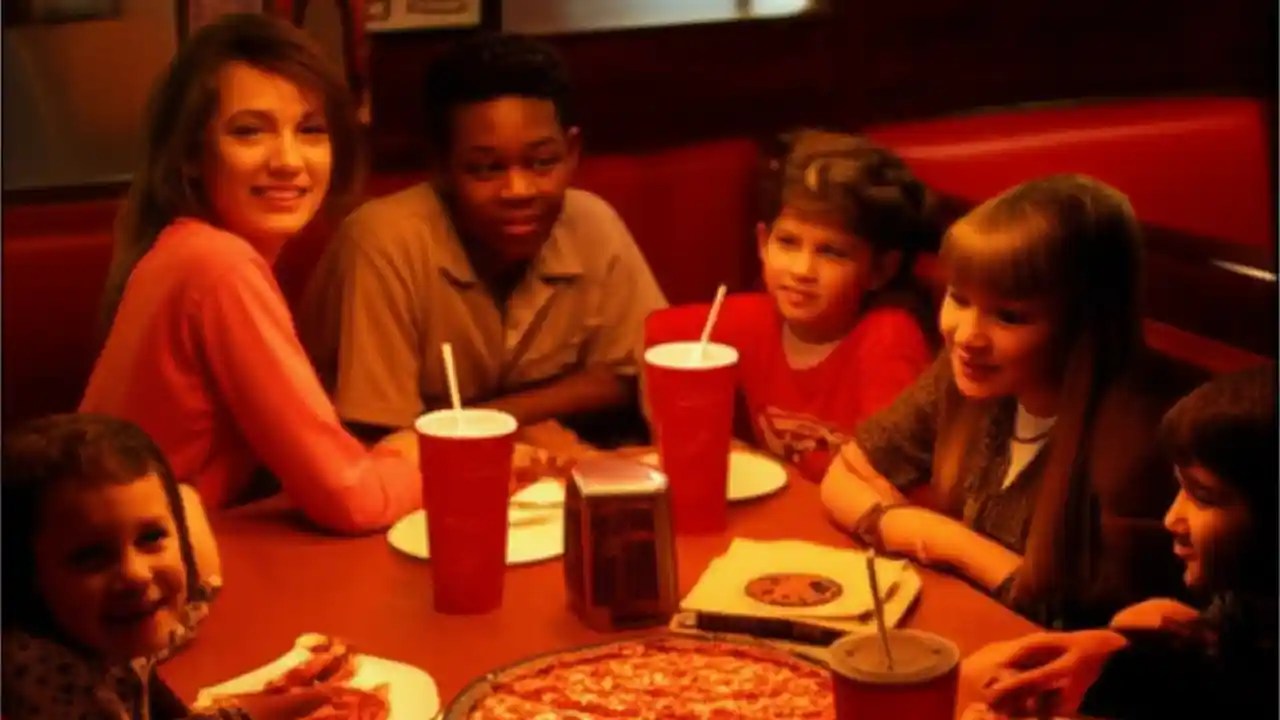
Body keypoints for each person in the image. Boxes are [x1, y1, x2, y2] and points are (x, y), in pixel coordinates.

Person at [81, 13, 420, 534]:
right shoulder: (218, 265)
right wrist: (430, 457)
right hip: (137, 577)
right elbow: (351, 500)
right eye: (249, 131)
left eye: (310, 130)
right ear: (192, 154)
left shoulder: (183, 248)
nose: (288, 160)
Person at [821, 174, 1181, 628]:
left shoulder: (1140, 439)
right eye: (958, 298)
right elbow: (842, 476)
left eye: (1008, 317)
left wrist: (942, 540)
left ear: (1082, 324)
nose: (967, 335)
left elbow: (1079, 628)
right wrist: (931, 534)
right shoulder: (966, 378)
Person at [299, 33, 667, 457]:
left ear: (572, 152)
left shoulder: (592, 223)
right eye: (485, 169)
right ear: (440, 166)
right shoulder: (384, 243)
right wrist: (511, 429)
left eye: (543, 162)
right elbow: (381, 444)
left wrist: (506, 417)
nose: (518, 189)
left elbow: (633, 376)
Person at [0, 413, 368, 720]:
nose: (135, 574)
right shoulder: (52, 683)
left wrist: (289, 702)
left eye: (150, 537)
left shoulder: (107, 630)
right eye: (91, 556)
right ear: (27, 576)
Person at [960, 364, 1278, 719]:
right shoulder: (1250, 606)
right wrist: (1110, 658)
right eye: (1180, 489)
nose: (1172, 518)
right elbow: (1214, 669)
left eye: (1203, 496)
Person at [644, 130, 938, 481]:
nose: (802, 270)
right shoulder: (753, 316)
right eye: (787, 242)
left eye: (831, 252)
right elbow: (654, 334)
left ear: (880, 269)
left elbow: (891, 476)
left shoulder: (890, 337)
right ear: (762, 243)